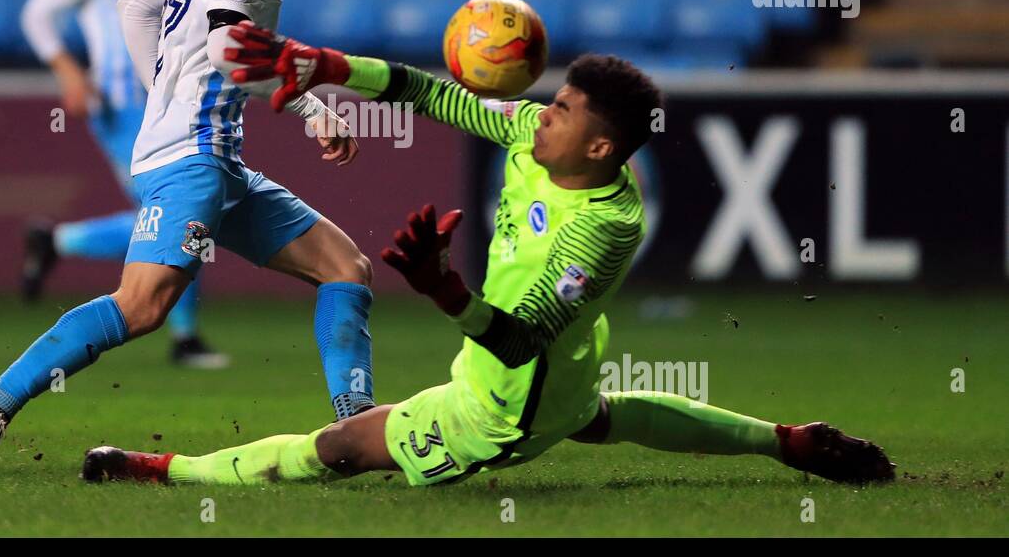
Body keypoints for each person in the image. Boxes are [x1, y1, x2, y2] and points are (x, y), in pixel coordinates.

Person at [80, 39, 896, 488]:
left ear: (602, 148)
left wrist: (445, 291)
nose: (546, 112)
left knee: (339, 448)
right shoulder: (536, 137)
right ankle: (786, 439)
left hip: (506, 404)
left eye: (567, 110)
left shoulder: (603, 227)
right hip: (569, 374)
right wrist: (325, 65)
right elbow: (439, 96)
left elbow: (518, 339)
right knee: (605, 416)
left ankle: (160, 469)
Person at [0, 0, 377, 475]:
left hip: (215, 155)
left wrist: (162, 89)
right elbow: (231, 50)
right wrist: (313, 105)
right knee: (143, 304)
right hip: (192, 158)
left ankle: (357, 428)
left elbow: (134, 4)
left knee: (347, 266)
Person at [18, 0, 226, 369]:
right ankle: (183, 336)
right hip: (118, 99)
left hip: (168, 94)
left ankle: (56, 240)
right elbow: (37, 13)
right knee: (178, 208)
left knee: (174, 210)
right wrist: (69, 70)